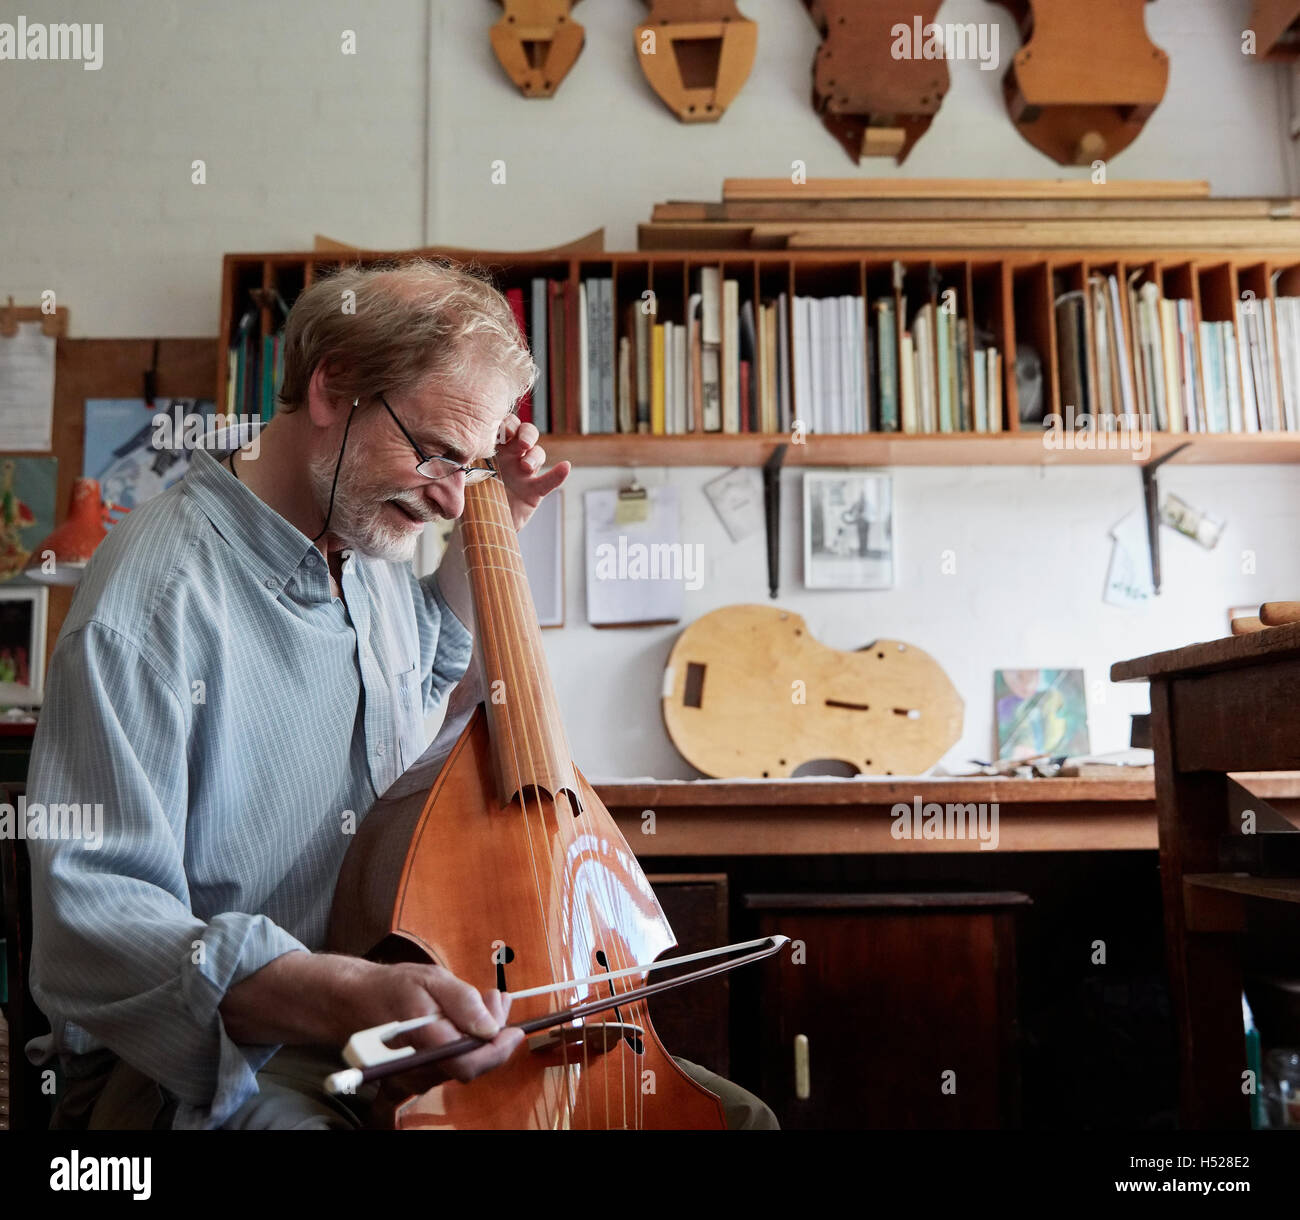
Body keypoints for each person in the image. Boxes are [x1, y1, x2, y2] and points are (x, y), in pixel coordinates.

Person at [25, 259, 775, 1131]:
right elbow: (94, 927)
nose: (457, 497)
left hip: (387, 1013)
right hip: (214, 1053)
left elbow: (430, 681)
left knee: (735, 1121)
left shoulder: (363, 538)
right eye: (437, 453)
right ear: (332, 386)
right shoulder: (151, 603)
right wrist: (344, 992)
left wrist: (502, 526)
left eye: (474, 464)